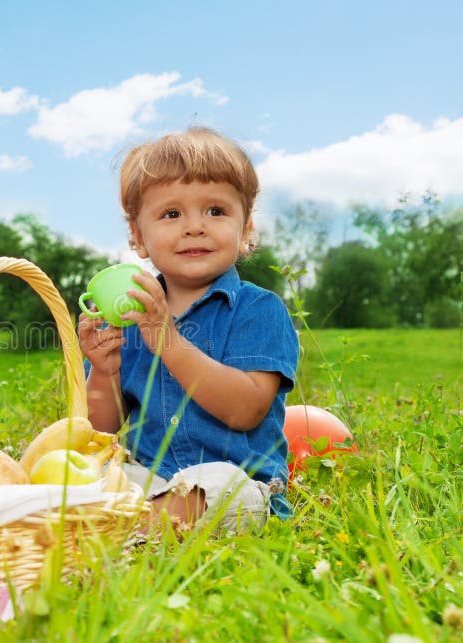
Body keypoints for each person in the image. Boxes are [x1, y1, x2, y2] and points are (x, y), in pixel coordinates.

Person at [77, 127, 299, 533]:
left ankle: (122, 535)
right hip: (149, 478)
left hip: (235, 481)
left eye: (216, 211)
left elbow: (246, 409)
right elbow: (101, 430)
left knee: (222, 490)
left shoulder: (259, 310)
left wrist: (168, 341)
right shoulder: (128, 315)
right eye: (171, 214)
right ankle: (131, 526)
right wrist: (105, 370)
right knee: (86, 479)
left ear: (245, 230)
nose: (194, 227)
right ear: (139, 238)